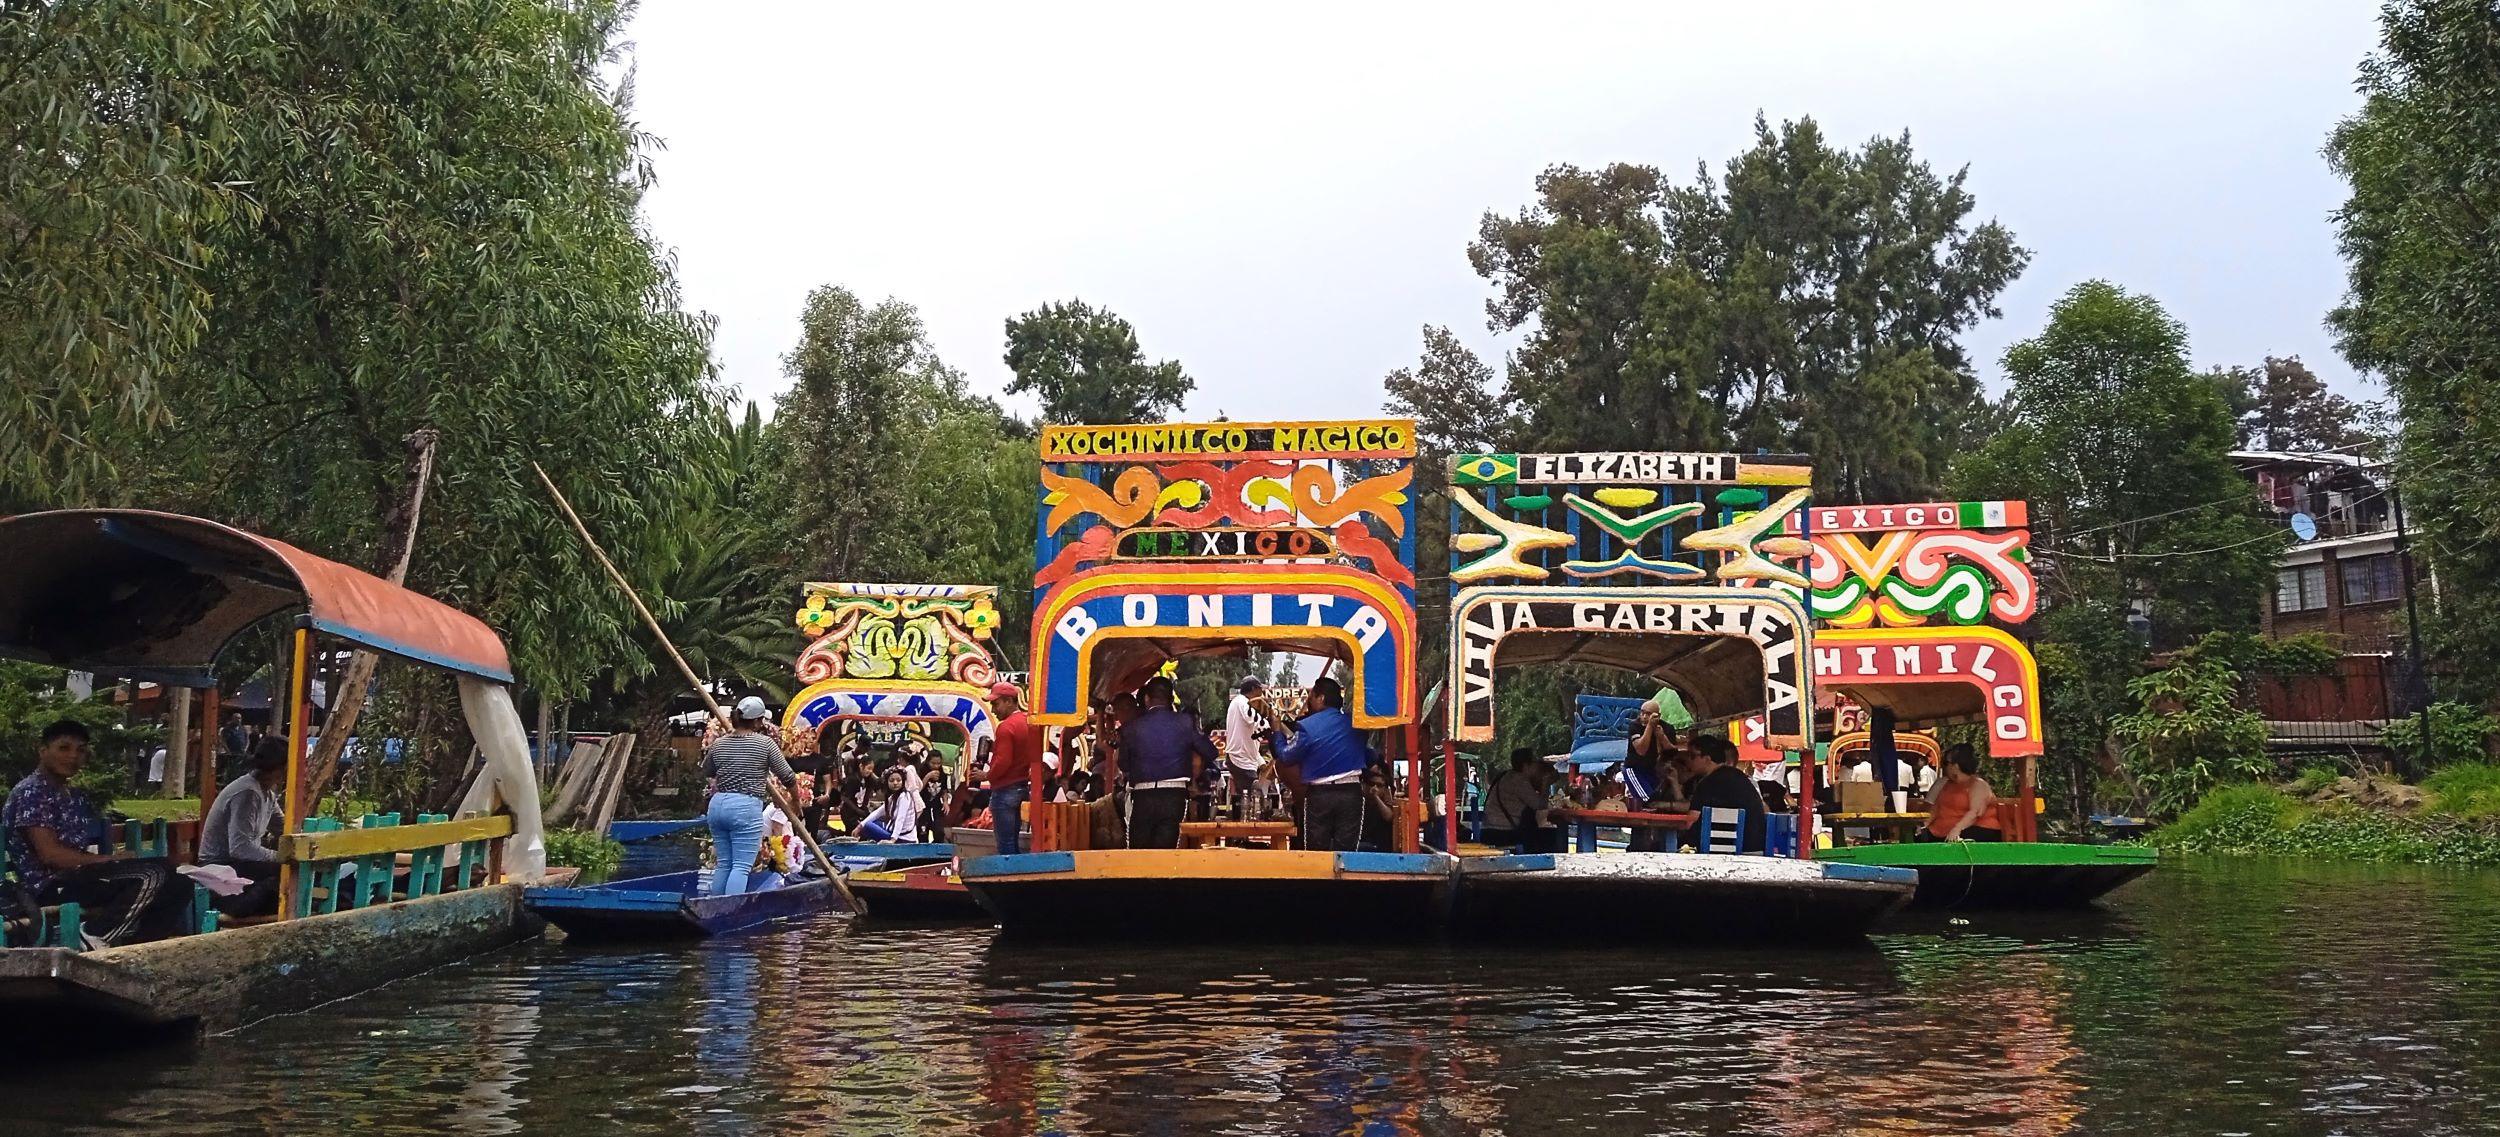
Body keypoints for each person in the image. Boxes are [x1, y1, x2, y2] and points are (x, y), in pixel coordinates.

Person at [4, 720, 193, 945]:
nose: (73, 756)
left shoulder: (73, 795)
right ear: (43, 750)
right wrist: (108, 859)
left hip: (83, 878)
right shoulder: (32, 792)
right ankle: (94, 935)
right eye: (64, 748)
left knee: (180, 881)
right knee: (153, 875)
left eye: (80, 750)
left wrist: (107, 863)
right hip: (50, 886)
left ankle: (141, 947)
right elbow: (50, 855)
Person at [703, 696, 795, 896]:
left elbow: (708, 771)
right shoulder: (765, 744)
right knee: (740, 866)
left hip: (718, 805)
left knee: (724, 864)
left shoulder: (719, 744)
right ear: (757, 721)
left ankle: (716, 904)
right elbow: (788, 777)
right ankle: (729, 910)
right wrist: (796, 803)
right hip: (744, 806)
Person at [1269, 677, 1371, 851]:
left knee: (1317, 855)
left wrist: (1277, 732)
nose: (1309, 700)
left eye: (1312, 696)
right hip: (1351, 795)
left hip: (1320, 796)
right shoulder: (1356, 723)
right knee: (1347, 855)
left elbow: (1286, 757)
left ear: (1321, 698)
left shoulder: (1307, 727)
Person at [1118, 676, 1215, 849]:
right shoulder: (1185, 722)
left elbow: (1124, 764)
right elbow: (1210, 751)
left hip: (1142, 795)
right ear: (1171, 699)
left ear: (1147, 699)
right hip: (1174, 794)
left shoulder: (1131, 727)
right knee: (1165, 854)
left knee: (1137, 854)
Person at [198, 737, 288, 916]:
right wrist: (282, 857)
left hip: (238, 863)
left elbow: (283, 827)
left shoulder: (267, 793)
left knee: (288, 871)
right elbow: (241, 848)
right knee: (284, 871)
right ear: (281, 768)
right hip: (219, 866)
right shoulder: (247, 793)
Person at [1680, 735, 1768, 853]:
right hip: (1755, 846)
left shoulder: (1708, 783)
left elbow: (1689, 823)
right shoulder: (1739, 777)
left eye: (1692, 756)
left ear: (1707, 758)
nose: (1688, 761)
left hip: (1722, 850)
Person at [986, 681, 1044, 856]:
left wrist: (986, 775)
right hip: (1022, 787)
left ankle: (1007, 878)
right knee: (1013, 839)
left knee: (1005, 844)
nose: (993, 710)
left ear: (1009, 701)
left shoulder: (1006, 727)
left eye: (996, 704)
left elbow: (1003, 761)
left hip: (1005, 790)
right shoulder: (1029, 723)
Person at [1480, 749, 1559, 852]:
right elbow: (1540, 805)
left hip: (1490, 831)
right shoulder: (1518, 780)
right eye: (1535, 764)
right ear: (1526, 766)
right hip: (1500, 833)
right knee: (1547, 835)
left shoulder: (1507, 776)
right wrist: (1545, 785)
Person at [1920, 744, 2002, 842]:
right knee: (1917, 837)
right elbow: (1936, 808)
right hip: (1942, 830)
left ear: (1955, 766)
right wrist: (1923, 825)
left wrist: (1957, 829)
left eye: (1946, 763)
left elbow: (1975, 813)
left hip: (1976, 829)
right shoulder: (1947, 784)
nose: (1944, 766)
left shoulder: (1978, 784)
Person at [1223, 676, 1272, 821]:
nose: (1261, 693)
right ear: (1253, 689)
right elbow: (1257, 721)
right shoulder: (1241, 702)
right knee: (1253, 799)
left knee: (1250, 801)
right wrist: (1272, 722)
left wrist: (1261, 763)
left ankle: (1242, 836)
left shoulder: (1241, 704)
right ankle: (1240, 836)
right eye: (1260, 689)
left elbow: (1252, 740)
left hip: (1245, 760)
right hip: (1240, 760)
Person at [860, 766, 923, 843]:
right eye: (892, 780)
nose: (895, 783)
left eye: (898, 780)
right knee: (872, 823)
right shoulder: (894, 797)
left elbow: (901, 818)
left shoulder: (904, 796)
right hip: (894, 834)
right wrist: (860, 826)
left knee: (868, 826)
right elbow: (878, 812)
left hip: (904, 839)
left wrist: (893, 840)